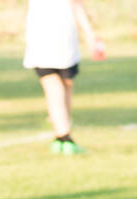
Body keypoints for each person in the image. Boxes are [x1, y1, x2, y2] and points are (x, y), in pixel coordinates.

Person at [24, 0, 104, 154]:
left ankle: (62, 135)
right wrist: (89, 34)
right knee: (54, 84)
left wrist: (89, 34)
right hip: (49, 33)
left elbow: (77, 4)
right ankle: (64, 137)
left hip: (56, 34)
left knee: (63, 84)